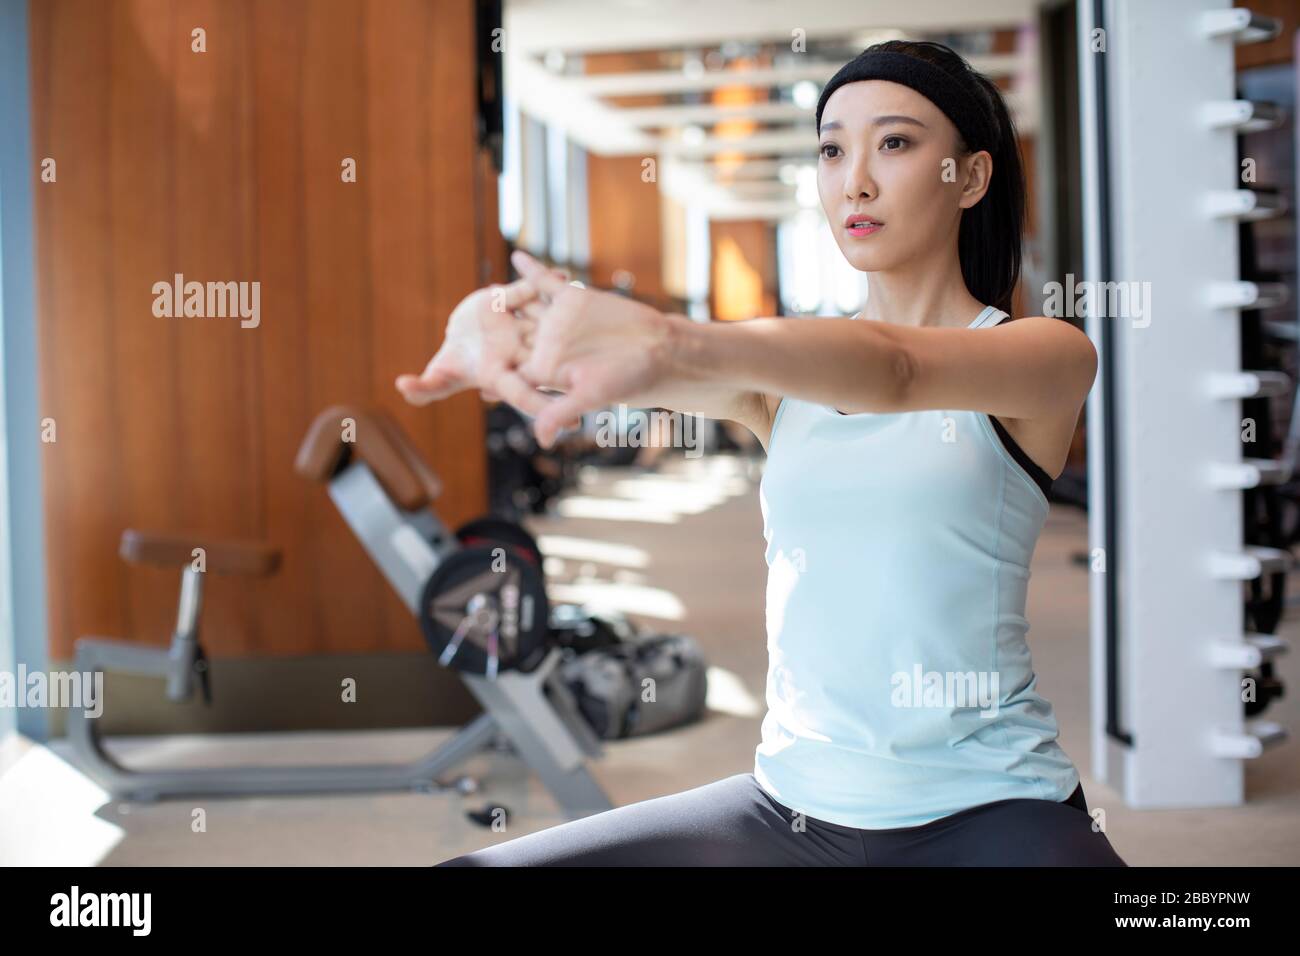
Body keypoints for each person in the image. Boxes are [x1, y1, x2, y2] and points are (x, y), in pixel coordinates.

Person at [396, 39, 1126, 867]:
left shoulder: (1044, 355)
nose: (854, 179)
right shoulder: (776, 381)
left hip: (991, 808)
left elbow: (897, 369)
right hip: (791, 810)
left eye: (894, 143)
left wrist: (676, 338)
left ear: (971, 176)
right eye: (830, 149)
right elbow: (639, 362)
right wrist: (504, 320)